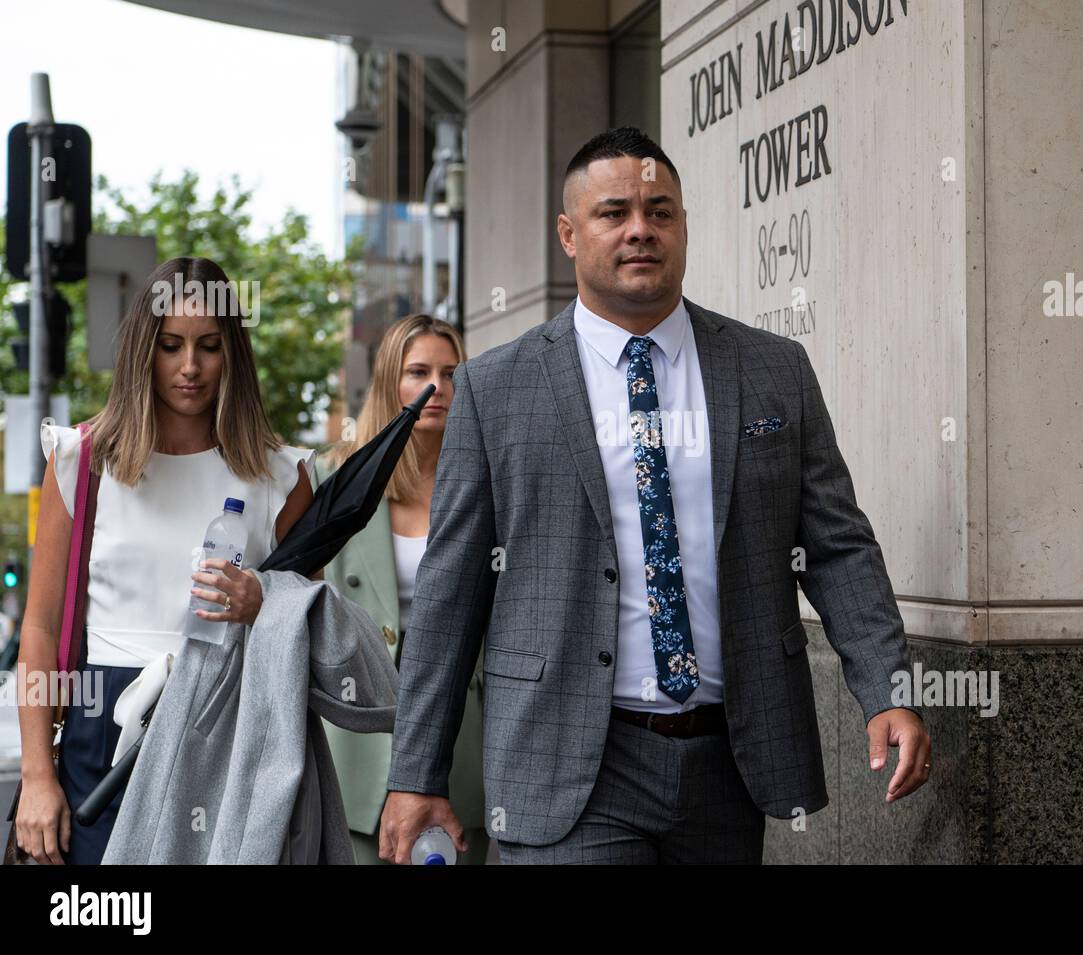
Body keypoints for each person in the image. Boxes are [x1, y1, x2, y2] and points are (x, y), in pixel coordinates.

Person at [379, 126, 932, 864]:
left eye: (660, 210)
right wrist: (417, 770)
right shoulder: (497, 388)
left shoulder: (773, 370)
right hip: (569, 764)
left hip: (729, 763)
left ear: (683, 227)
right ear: (569, 234)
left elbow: (837, 545)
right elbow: (450, 593)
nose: (640, 228)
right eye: (614, 212)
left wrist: (886, 687)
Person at [13, 257, 314, 864]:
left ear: (233, 353)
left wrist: (264, 602)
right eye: (170, 345)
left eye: (209, 346)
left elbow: (308, 625)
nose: (190, 367)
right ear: (142, 350)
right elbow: (41, 626)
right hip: (104, 726)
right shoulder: (80, 460)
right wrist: (39, 779)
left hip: (227, 724)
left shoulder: (283, 477)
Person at [314, 314, 487, 865]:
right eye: (418, 372)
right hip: (359, 717)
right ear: (391, 381)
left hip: (462, 725)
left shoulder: (488, 480)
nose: (437, 387)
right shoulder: (334, 479)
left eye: (451, 372)